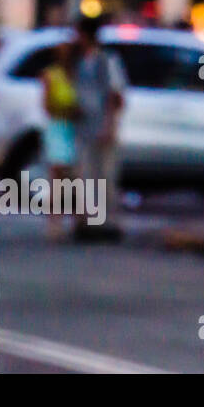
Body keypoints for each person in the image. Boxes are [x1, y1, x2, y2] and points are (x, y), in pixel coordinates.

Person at [70, 16, 127, 239]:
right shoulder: (78, 62)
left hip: (101, 125)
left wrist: (109, 125)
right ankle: (87, 222)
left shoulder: (106, 60)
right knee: (85, 176)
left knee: (104, 176)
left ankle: (107, 223)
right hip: (83, 126)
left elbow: (115, 95)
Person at [40, 41, 79, 240]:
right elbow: (47, 105)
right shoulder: (51, 74)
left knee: (74, 178)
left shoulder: (77, 74)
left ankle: (75, 221)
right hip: (58, 128)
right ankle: (55, 223)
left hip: (75, 130)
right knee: (57, 178)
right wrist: (68, 111)